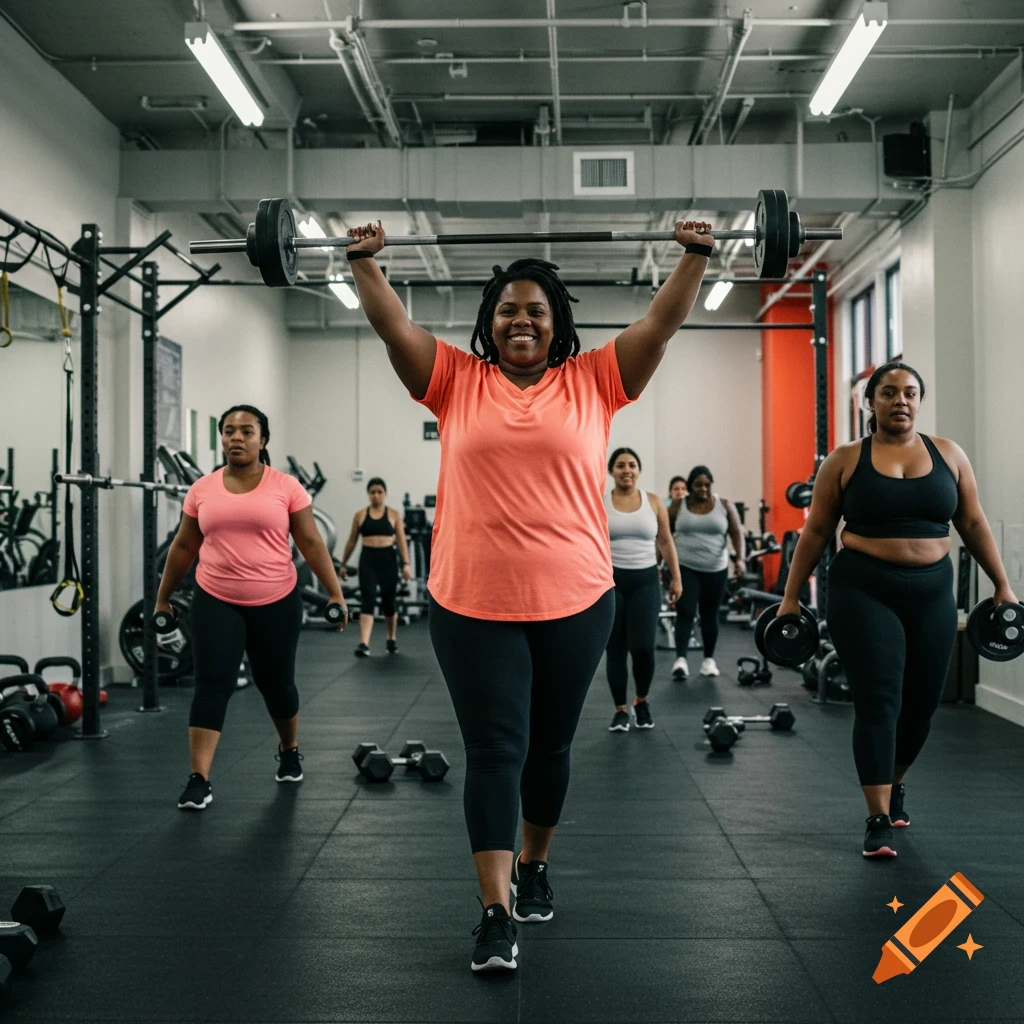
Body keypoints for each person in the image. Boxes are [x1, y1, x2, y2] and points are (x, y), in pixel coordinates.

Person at [345, 217, 712, 972]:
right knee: (494, 749)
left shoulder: (595, 381)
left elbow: (661, 323)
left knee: (548, 746)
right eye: (507, 310)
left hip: (577, 600)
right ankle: (494, 910)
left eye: (536, 310)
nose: (521, 320)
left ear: (557, 322)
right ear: (488, 322)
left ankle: (535, 863)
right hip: (470, 602)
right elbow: (393, 328)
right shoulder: (454, 380)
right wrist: (364, 264)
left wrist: (696, 255)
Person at [776, 361, 1017, 858]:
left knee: (922, 704)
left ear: (919, 401)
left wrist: (1003, 585)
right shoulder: (845, 460)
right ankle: (877, 816)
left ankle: (895, 782)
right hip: (864, 589)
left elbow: (972, 522)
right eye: (888, 392)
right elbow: (817, 531)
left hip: (933, 592)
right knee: (879, 699)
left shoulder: (949, 454)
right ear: (870, 402)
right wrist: (790, 596)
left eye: (909, 392)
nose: (900, 400)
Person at [155, 405, 348, 812]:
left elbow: (310, 542)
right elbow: (184, 546)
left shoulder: (286, 487)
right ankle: (199, 778)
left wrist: (335, 593)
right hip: (215, 598)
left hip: (276, 600)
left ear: (263, 439)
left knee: (276, 684)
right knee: (212, 684)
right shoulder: (202, 489)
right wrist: (163, 597)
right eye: (229, 431)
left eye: (246, 431)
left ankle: (289, 749)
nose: (236, 438)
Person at [605, 447, 681, 732]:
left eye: (632, 465)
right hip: (610, 582)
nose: (627, 470)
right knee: (615, 649)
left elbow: (666, 541)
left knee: (643, 648)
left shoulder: (654, 501)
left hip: (645, 581)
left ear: (638, 470)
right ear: (611, 471)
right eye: (620, 465)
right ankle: (620, 710)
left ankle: (642, 701)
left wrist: (676, 578)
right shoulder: (600, 501)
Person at [671, 465, 745, 679]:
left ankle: (708, 660)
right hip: (685, 566)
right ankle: (681, 660)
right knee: (685, 610)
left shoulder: (724, 505)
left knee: (710, 613)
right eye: (698, 485)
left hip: (715, 568)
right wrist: (660, 561)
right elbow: (663, 532)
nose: (703, 489)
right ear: (690, 486)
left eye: (707, 484)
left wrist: (740, 559)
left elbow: (736, 533)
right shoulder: (678, 505)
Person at [339, 477, 413, 656]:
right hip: (368, 561)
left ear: (385, 494)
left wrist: (406, 564)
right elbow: (351, 541)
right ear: (368, 494)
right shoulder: (360, 515)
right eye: (372, 492)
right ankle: (364, 643)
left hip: (388, 561)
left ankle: (391, 639)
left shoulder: (393, 514)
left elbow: (401, 541)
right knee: (368, 600)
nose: (376, 495)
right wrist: (343, 564)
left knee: (389, 602)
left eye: (379, 492)